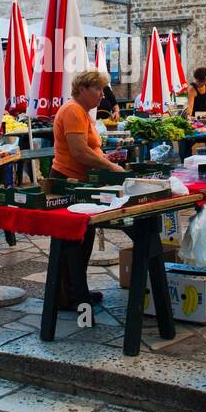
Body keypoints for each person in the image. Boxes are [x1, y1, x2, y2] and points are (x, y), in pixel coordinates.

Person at [51, 71, 125, 310]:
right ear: (82, 89)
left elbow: (88, 151)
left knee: (84, 238)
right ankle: (68, 295)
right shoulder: (73, 110)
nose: (102, 95)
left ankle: (77, 290)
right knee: (73, 240)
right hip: (68, 181)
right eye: (98, 90)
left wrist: (103, 157)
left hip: (78, 181)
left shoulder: (82, 113)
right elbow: (79, 152)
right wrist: (110, 165)